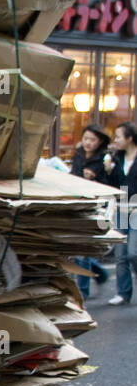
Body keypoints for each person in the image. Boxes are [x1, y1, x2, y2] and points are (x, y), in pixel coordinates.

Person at [70, 126, 111, 297]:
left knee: (83, 247)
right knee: (77, 247)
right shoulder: (78, 154)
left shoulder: (104, 158)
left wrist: (97, 176)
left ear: (100, 141)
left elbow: (110, 182)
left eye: (92, 139)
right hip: (77, 203)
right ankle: (99, 272)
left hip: (96, 205)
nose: (88, 142)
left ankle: (83, 290)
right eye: (86, 138)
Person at [104, 121, 137, 305]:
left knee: (133, 252)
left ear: (129, 138)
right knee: (120, 253)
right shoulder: (116, 159)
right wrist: (108, 170)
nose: (115, 140)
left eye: (118, 136)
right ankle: (123, 293)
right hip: (120, 208)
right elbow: (110, 183)